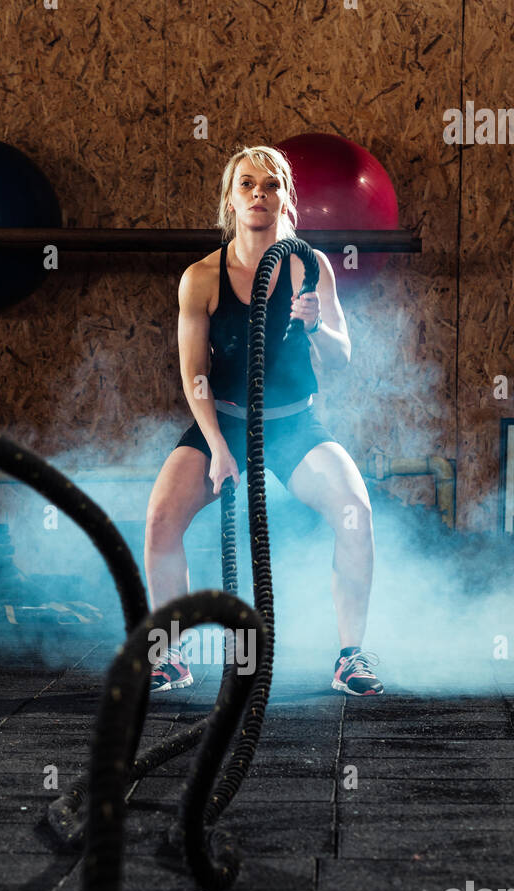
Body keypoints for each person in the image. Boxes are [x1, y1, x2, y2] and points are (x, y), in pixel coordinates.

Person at [143, 143, 383, 696]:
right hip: (223, 422)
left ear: (285, 199)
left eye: (270, 186)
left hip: (293, 423)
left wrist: (316, 324)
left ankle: (351, 657)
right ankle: (170, 656)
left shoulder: (309, 264)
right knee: (161, 520)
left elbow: (341, 358)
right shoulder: (201, 278)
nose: (259, 194)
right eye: (247, 184)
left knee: (354, 512)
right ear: (231, 199)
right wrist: (219, 449)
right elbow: (193, 374)